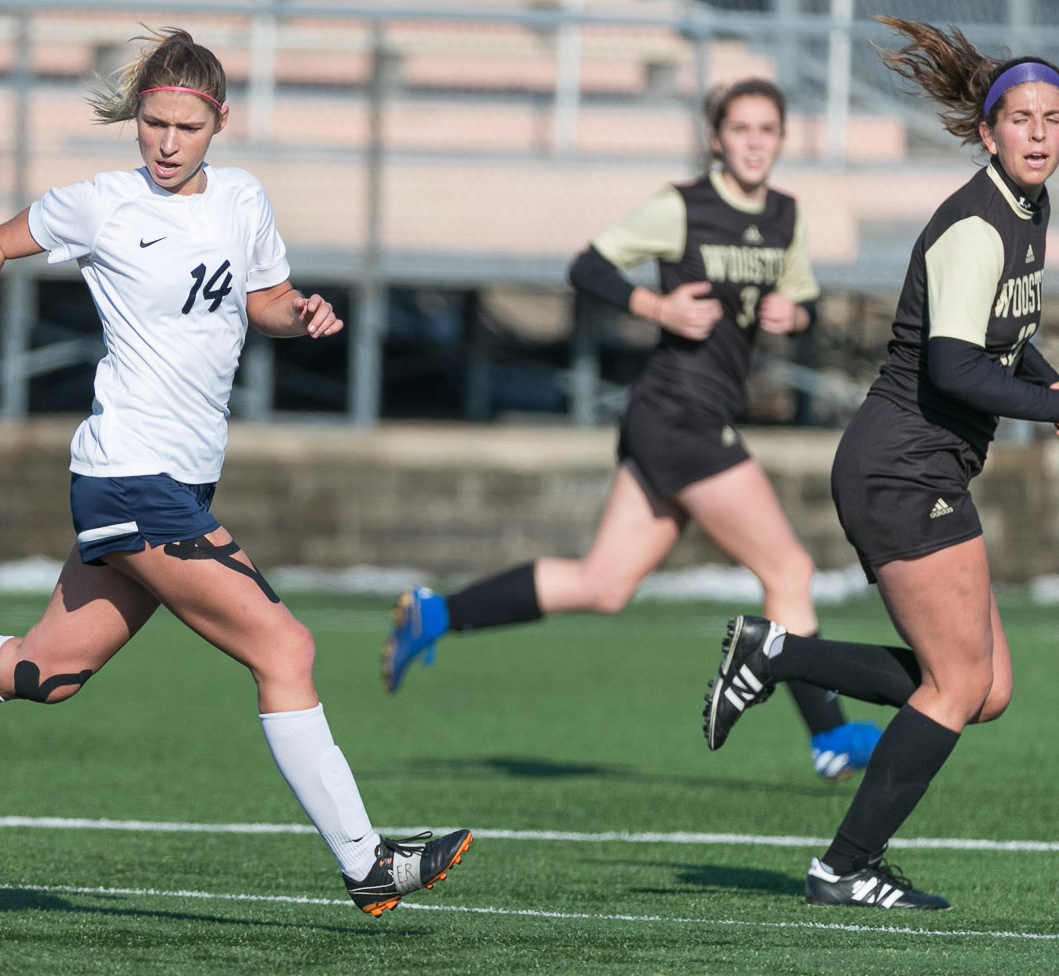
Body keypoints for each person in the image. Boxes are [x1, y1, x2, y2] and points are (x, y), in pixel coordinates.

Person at [0, 28, 471, 916]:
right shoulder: (102, 204)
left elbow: (261, 300)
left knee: (46, 672)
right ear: (137, 118)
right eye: (152, 123)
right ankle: (366, 862)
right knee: (285, 647)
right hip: (127, 479)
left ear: (219, 122)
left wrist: (301, 314)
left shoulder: (243, 200)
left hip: (179, 483)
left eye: (185, 126)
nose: (167, 143)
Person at [381, 78, 879, 780]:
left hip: (681, 418)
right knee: (789, 569)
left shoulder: (784, 217)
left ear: (782, 139)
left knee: (604, 584)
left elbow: (806, 303)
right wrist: (656, 305)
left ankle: (436, 614)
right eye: (741, 130)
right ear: (717, 138)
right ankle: (828, 735)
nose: (755, 143)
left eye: (768, 130)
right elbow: (587, 266)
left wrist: (791, 317)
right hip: (680, 415)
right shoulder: (683, 207)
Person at [704, 17, 1059, 910]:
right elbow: (956, 366)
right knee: (959, 682)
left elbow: (1007, 346)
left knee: (987, 691)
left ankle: (778, 653)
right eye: (1022, 119)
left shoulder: (1031, 209)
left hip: (928, 468)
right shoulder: (974, 225)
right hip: (899, 469)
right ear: (987, 131)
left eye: (1054, 119)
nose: (1041, 134)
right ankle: (844, 866)